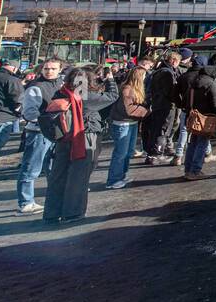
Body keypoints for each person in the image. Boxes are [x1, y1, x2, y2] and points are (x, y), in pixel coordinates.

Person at [39, 67, 116, 223]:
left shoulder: (61, 92)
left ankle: (52, 213)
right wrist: (110, 79)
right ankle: (73, 213)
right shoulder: (84, 96)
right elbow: (112, 96)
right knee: (78, 177)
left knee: (58, 176)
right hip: (84, 137)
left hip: (63, 138)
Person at [18, 57, 63, 213]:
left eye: (53, 69)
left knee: (51, 166)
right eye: (46, 69)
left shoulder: (60, 84)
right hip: (38, 132)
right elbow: (29, 112)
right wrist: (47, 120)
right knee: (31, 168)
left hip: (54, 132)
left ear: (60, 70)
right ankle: (25, 202)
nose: (49, 71)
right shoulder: (36, 87)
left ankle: (55, 194)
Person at [176, 55, 216, 180]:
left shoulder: (193, 83)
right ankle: (195, 171)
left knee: (192, 143)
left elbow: (185, 100)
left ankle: (188, 169)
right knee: (202, 144)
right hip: (206, 118)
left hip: (192, 116)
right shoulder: (212, 84)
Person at [106, 64, 149, 190]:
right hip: (122, 124)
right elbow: (128, 109)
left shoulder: (134, 89)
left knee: (128, 152)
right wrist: (146, 110)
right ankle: (113, 180)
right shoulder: (127, 89)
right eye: (144, 75)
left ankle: (122, 175)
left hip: (131, 123)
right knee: (120, 153)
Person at [144, 49, 184, 164]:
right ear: (174, 61)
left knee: (157, 129)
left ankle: (152, 154)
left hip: (158, 103)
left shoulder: (158, 70)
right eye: (178, 62)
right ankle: (157, 154)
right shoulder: (167, 73)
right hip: (164, 105)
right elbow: (169, 91)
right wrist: (177, 99)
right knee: (163, 130)